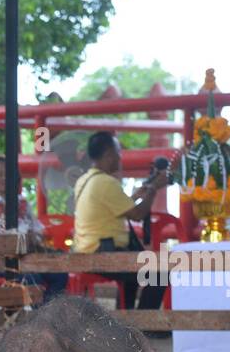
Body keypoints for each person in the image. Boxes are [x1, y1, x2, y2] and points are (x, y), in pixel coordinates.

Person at [72, 131, 169, 309]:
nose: (120, 158)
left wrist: (136, 195)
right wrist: (153, 188)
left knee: (133, 267)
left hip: (87, 251)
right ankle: (146, 324)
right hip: (104, 254)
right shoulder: (106, 183)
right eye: (118, 153)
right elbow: (138, 214)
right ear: (109, 154)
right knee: (160, 270)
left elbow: (112, 208)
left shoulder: (84, 180)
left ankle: (127, 321)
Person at [0, 156, 67, 302]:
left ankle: (48, 315)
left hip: (27, 258)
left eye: (8, 174)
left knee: (60, 274)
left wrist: (34, 237)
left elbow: (38, 230)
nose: (4, 178)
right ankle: (34, 319)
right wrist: (22, 237)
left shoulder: (22, 202)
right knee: (32, 278)